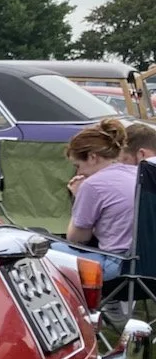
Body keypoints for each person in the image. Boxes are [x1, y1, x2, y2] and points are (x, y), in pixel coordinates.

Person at [52, 119, 136, 283]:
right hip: (148, 267)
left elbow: (77, 239)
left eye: (78, 165)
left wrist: (77, 197)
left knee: (42, 252)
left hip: (116, 266)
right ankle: (114, 308)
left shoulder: (93, 185)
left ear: (92, 157)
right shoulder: (137, 173)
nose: (79, 171)